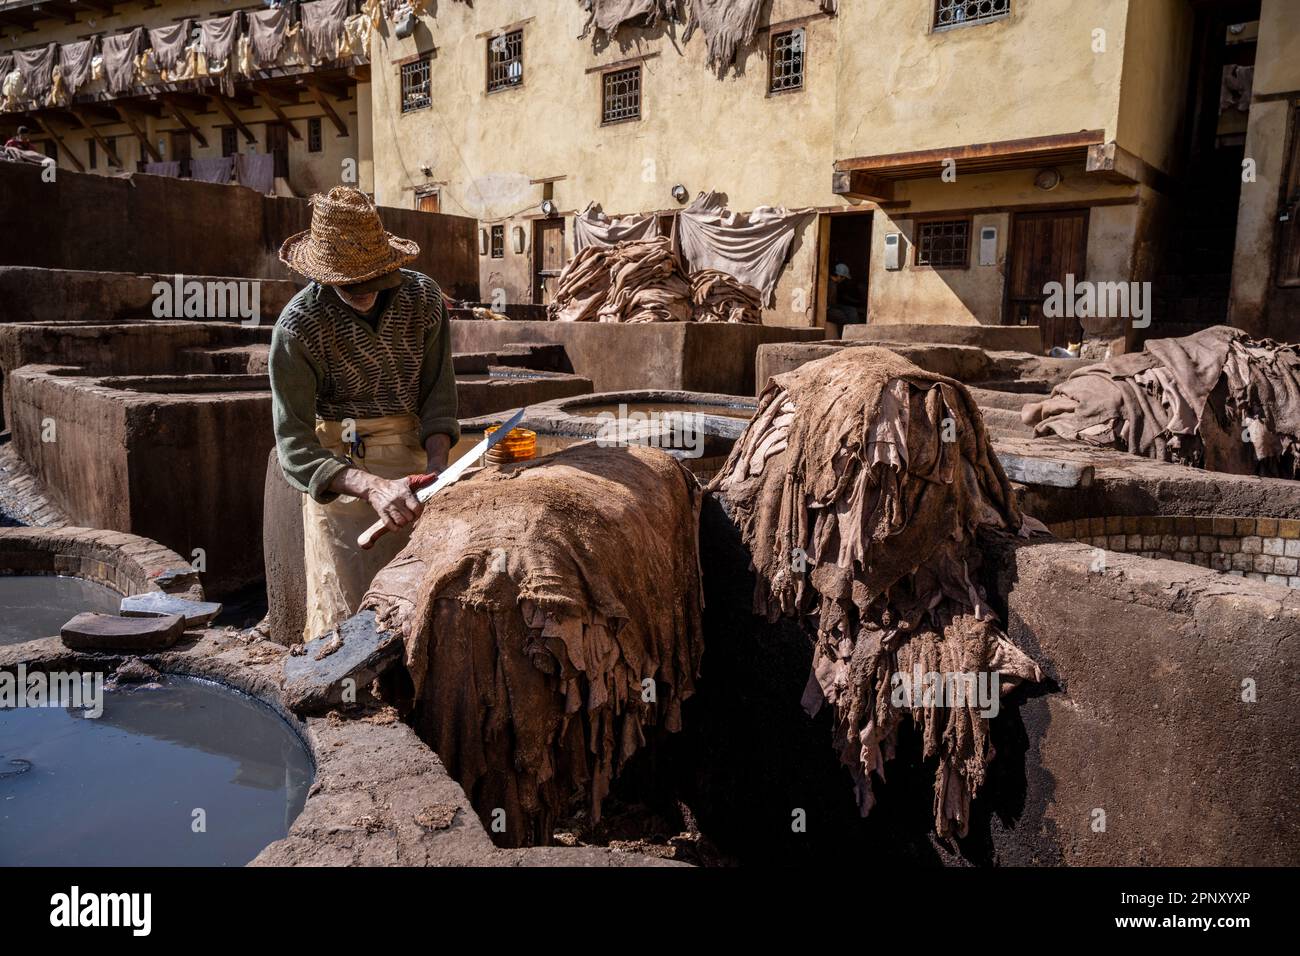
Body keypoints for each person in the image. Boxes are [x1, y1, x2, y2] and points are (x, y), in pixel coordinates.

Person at [269, 186, 459, 641]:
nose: (362, 293)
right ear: (325, 277)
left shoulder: (424, 301)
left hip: (414, 462)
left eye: (374, 280)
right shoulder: (299, 328)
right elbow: (294, 444)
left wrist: (437, 466)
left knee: (420, 610)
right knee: (353, 622)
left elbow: (439, 396)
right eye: (349, 284)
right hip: (343, 473)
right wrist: (370, 486)